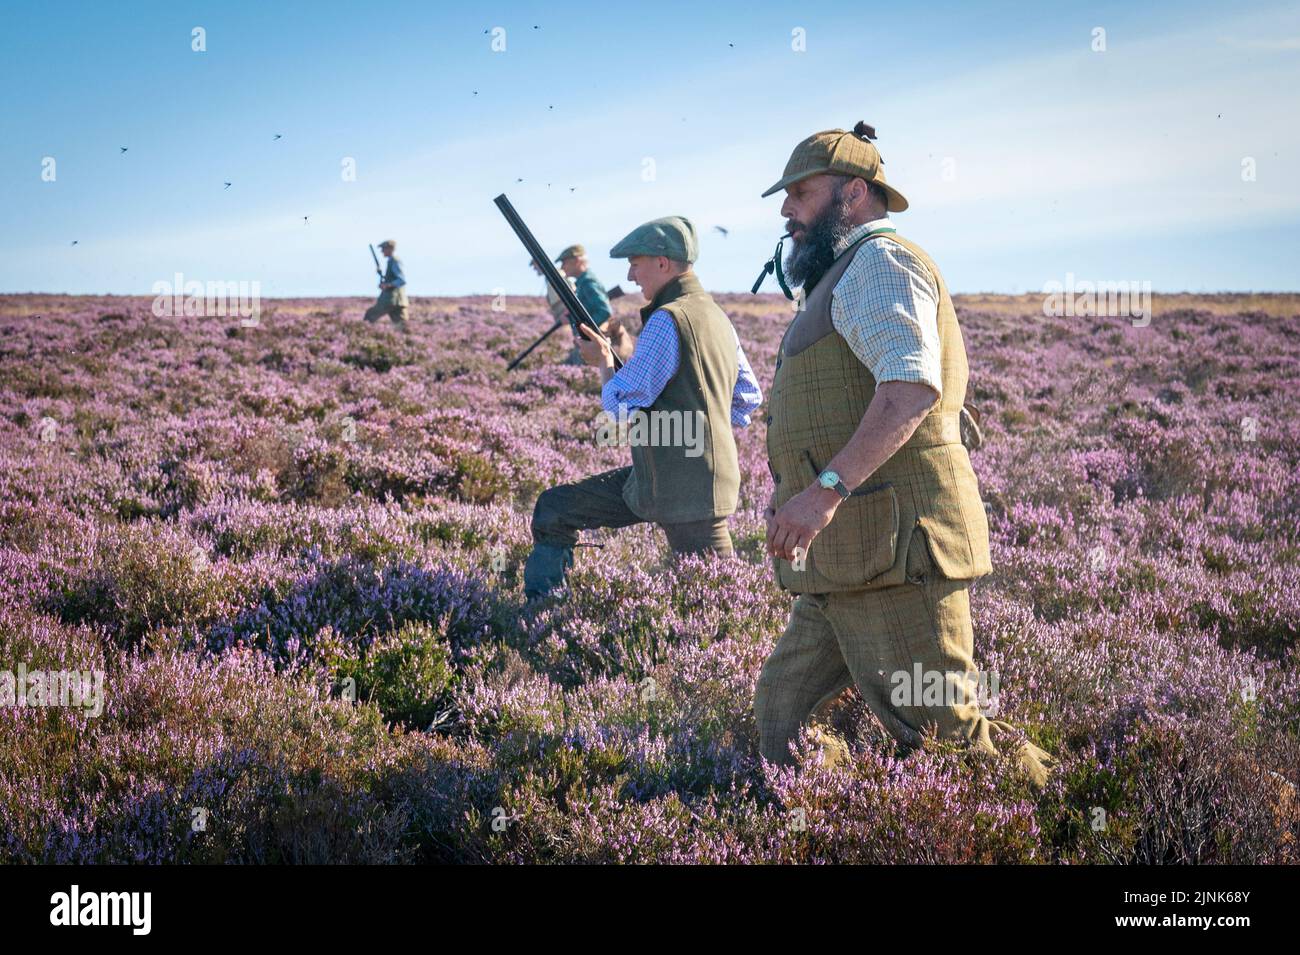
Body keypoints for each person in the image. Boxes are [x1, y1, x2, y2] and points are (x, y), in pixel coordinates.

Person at [753, 122, 1058, 789]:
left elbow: (911, 386)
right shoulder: (842, 273)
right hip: (843, 561)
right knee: (782, 718)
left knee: (948, 743)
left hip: (897, 553)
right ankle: (843, 827)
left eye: (800, 194)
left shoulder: (879, 264)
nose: (786, 211)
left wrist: (824, 489)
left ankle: (1055, 824)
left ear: (853, 193)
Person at [522, 216, 763, 599]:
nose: (632, 277)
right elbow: (747, 398)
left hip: (684, 492)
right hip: (663, 480)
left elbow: (619, 409)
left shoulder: (668, 320)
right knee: (556, 507)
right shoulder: (717, 316)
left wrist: (603, 361)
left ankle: (739, 649)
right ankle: (544, 615)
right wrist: (701, 425)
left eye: (636, 263)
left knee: (714, 597)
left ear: (663, 263)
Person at [363, 239, 408, 328]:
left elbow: (401, 280)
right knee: (401, 326)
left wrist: (387, 285)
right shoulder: (392, 261)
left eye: (384, 248)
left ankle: (362, 333)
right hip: (398, 301)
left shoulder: (395, 261)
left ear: (390, 249)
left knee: (369, 316)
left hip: (391, 300)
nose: (382, 251)